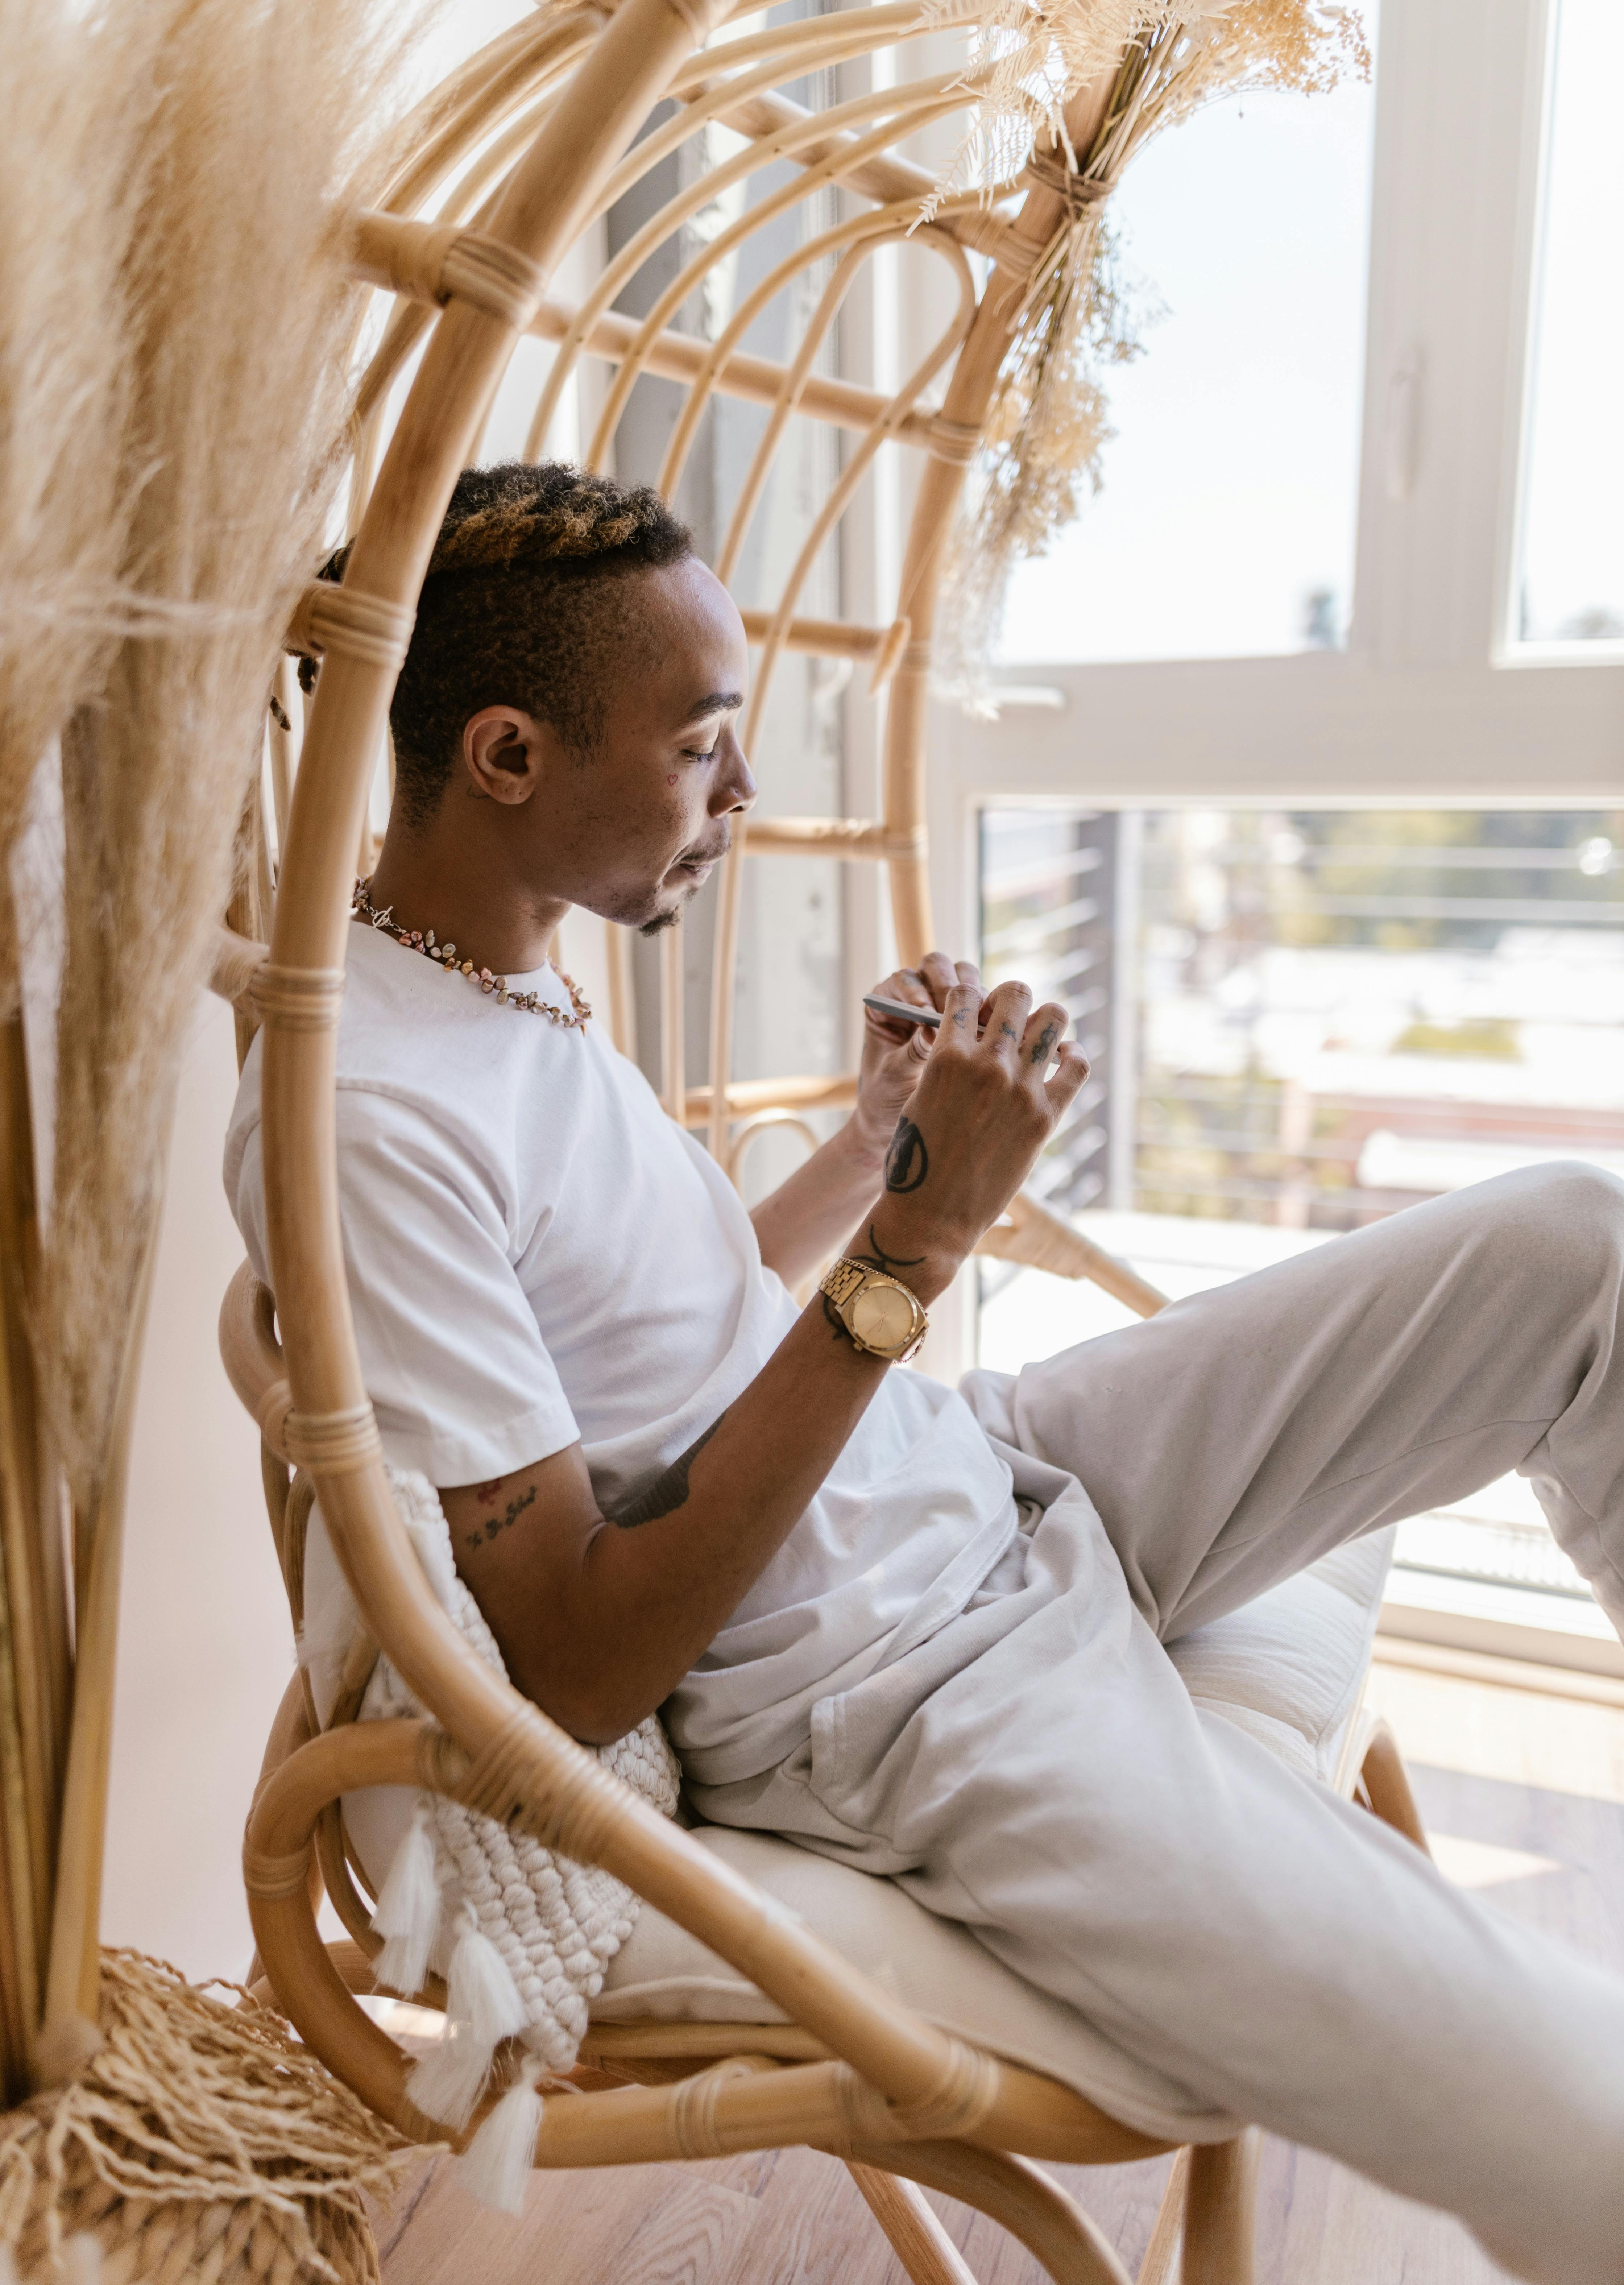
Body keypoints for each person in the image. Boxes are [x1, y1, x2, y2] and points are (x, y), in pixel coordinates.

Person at [227, 461, 1624, 2285]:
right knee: (1552, 2095)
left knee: (1570, 1254)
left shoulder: (496, 972)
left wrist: (877, 1145)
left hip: (975, 1469)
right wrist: (919, 1248)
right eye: (704, 745)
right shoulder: (365, 1111)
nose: (743, 792)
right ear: (506, 756)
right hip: (883, 1683)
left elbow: (663, 1322)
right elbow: (570, 1660)